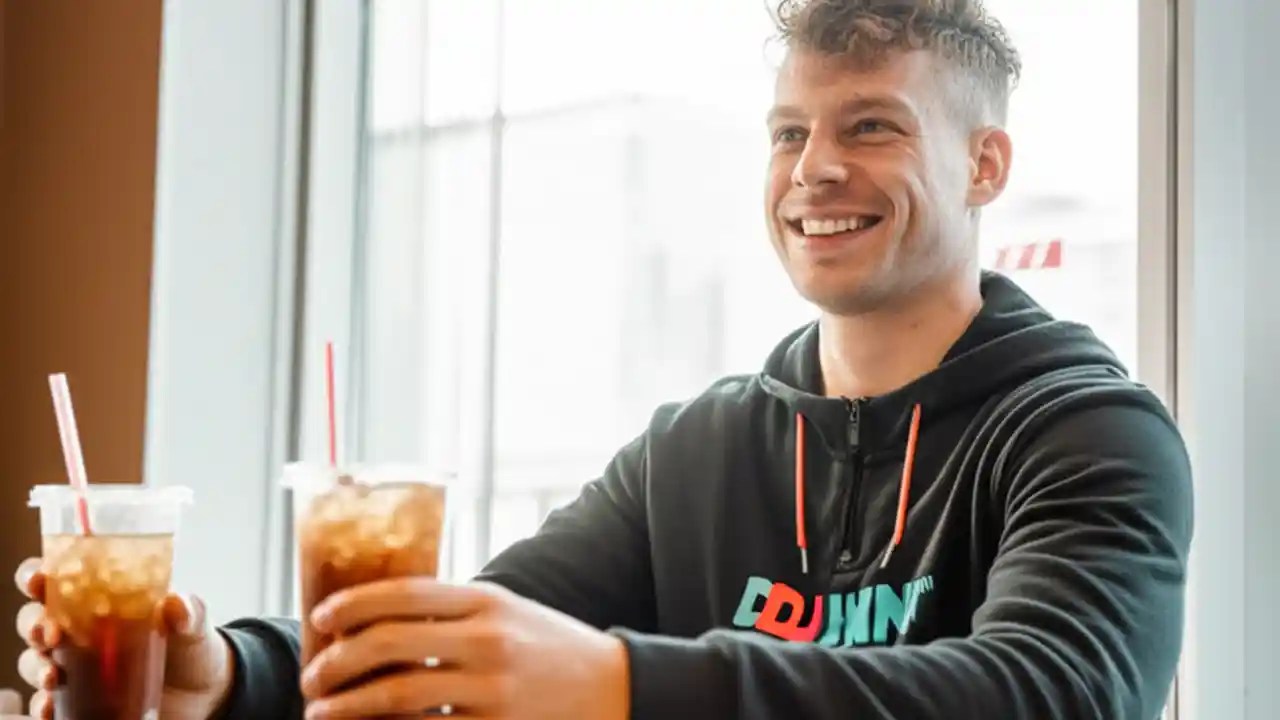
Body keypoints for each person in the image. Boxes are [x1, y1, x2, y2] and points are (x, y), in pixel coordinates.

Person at [14, 0, 1194, 717]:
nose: (810, 171)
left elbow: (1058, 694)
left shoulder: (1089, 433)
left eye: (869, 127)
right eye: (788, 132)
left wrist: (617, 688)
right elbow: (466, 635)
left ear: (984, 166)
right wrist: (222, 675)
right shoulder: (698, 447)